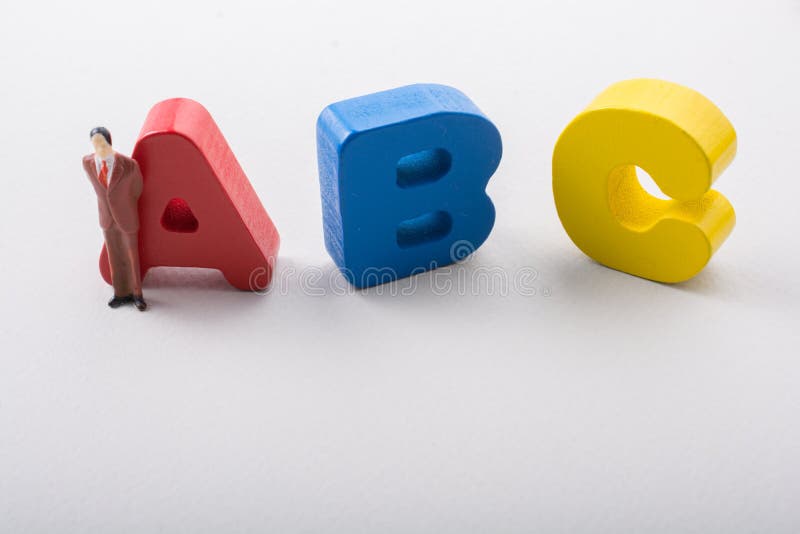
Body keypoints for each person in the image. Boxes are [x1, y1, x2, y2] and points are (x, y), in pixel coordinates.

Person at [82, 127, 147, 311]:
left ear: (109, 142)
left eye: (101, 142)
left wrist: (125, 204)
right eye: (95, 143)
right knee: (114, 254)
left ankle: (137, 294)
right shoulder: (87, 162)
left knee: (131, 255)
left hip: (126, 216)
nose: (98, 147)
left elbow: (137, 189)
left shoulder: (128, 165)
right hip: (106, 217)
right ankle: (121, 293)